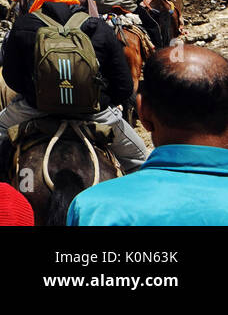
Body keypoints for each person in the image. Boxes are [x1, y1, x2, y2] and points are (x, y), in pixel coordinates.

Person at [0, 0, 149, 174]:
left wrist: (35, 95)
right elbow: (124, 85)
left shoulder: (24, 25)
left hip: (36, 108)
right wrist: (100, 99)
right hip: (94, 112)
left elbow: (12, 77)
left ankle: (3, 192)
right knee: (140, 159)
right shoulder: (98, 26)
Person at [69, 45, 228, 225]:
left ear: (143, 112)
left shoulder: (91, 207)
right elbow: (124, 86)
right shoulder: (99, 28)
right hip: (97, 114)